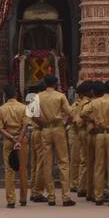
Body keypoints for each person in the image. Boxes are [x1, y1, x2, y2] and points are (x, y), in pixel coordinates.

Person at [36, 75, 75, 205]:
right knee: (63, 162)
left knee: (47, 163)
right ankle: (65, 196)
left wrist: (41, 124)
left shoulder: (38, 96)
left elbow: (31, 114)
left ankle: (51, 196)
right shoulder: (60, 96)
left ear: (44, 83)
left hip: (45, 130)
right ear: (56, 83)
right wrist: (65, 124)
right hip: (58, 129)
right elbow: (70, 113)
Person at [85, 78, 109, 205]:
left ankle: (98, 196)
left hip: (99, 135)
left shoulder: (95, 102)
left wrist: (95, 121)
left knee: (99, 166)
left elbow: (82, 114)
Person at [0, 84, 28, 208]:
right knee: (22, 169)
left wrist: (12, 138)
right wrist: (19, 139)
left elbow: (0, 128)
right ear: (16, 95)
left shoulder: (1, 109)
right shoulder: (23, 108)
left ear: (5, 96)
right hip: (22, 140)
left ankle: (10, 200)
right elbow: (25, 126)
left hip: (9, 141)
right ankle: (23, 199)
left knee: (9, 170)